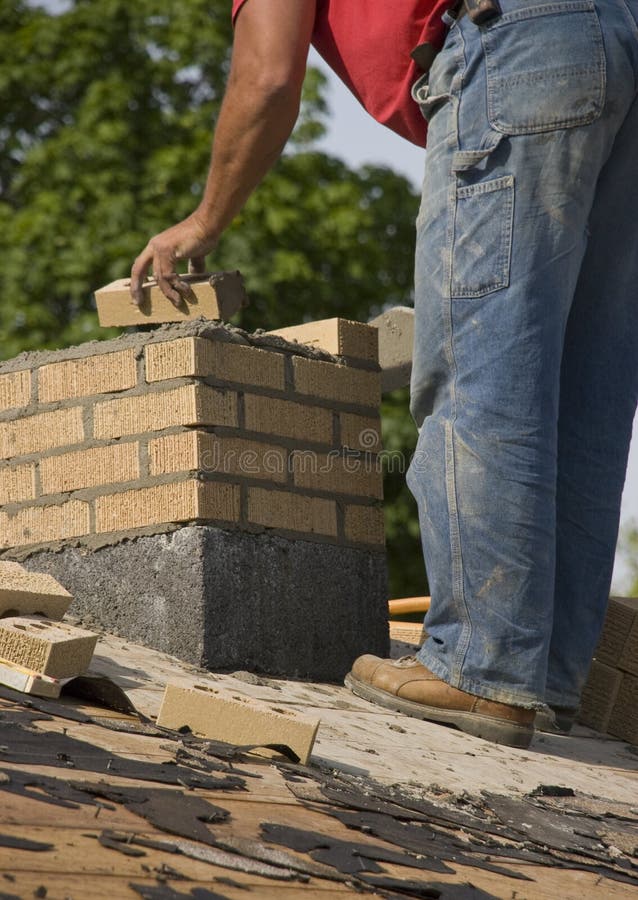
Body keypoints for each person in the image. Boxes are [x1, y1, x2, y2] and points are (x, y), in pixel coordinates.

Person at [131, 0, 638, 749]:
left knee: (483, 356)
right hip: (616, 32)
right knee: (581, 375)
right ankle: (544, 675)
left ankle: (479, 664)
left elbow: (268, 77)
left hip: (518, 38)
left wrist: (203, 220)